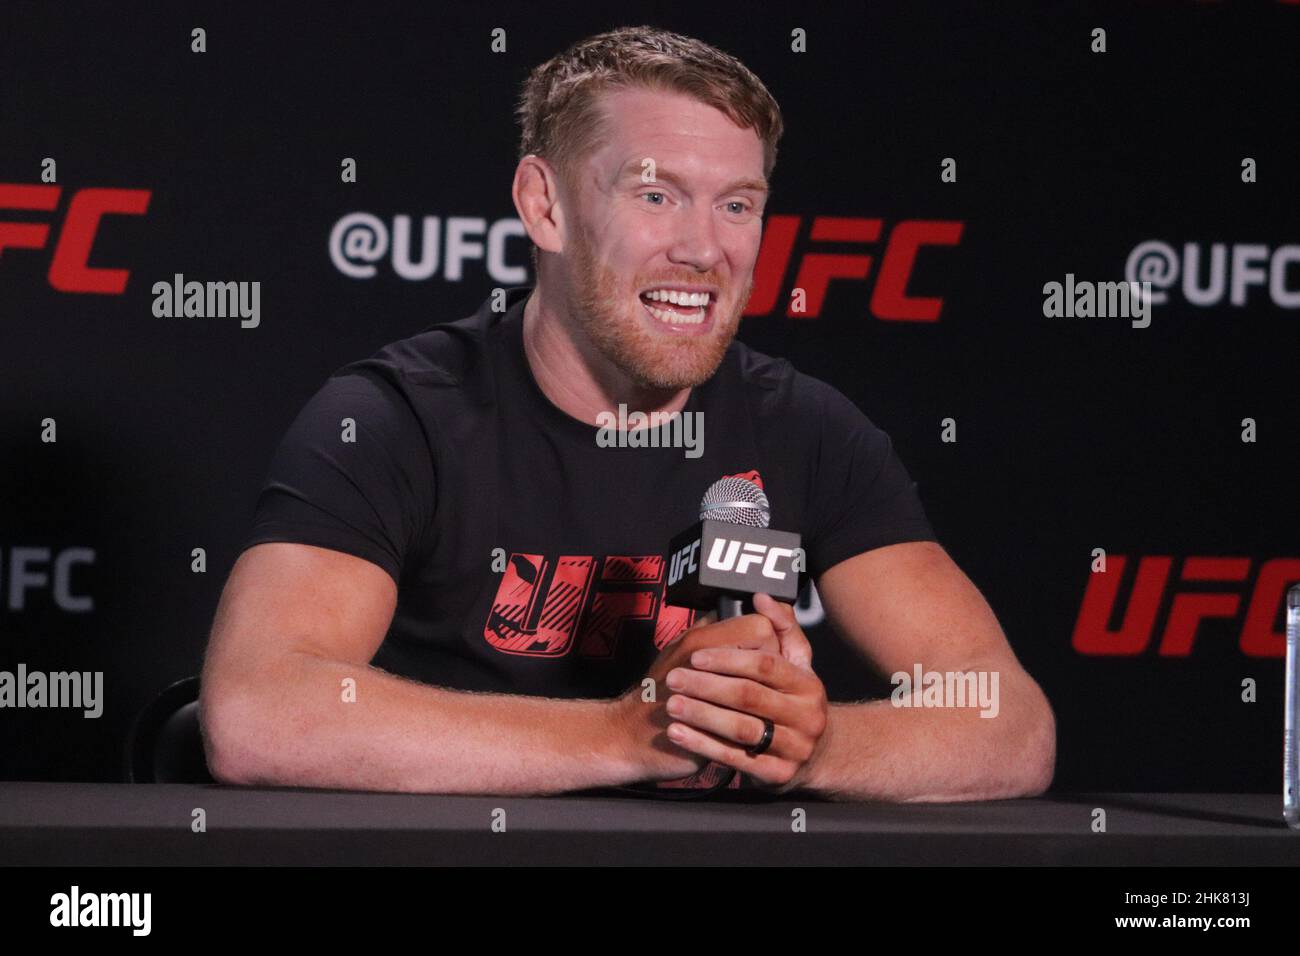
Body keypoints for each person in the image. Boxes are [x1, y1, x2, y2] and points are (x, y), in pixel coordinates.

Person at [199, 26, 1055, 800]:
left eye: (737, 204)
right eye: (655, 195)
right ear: (546, 205)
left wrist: (806, 744)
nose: (704, 249)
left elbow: (1009, 723)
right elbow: (258, 708)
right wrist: (630, 734)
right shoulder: (396, 419)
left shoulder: (805, 429)